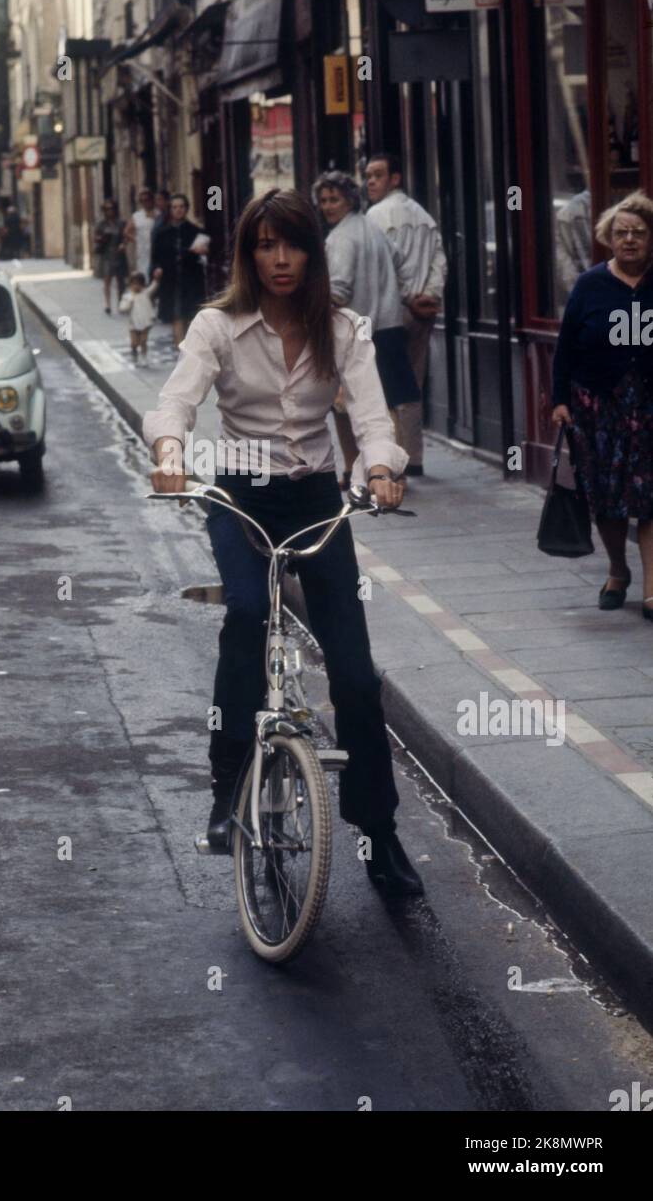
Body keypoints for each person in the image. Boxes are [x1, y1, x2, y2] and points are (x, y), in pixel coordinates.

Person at [143, 187, 423, 898]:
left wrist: (383, 467)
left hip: (314, 498)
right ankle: (225, 786)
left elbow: (372, 417)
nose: (280, 259)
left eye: (293, 244)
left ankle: (379, 835)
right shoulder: (216, 325)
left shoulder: (345, 327)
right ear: (247, 252)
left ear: (313, 251)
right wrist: (171, 452)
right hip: (238, 494)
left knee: (356, 675)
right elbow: (176, 401)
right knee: (244, 613)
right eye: (265, 245)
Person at [551, 191, 653, 621]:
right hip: (598, 408)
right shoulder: (590, 285)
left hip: (649, 406)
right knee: (607, 498)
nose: (629, 240)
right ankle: (617, 570)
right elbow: (566, 347)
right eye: (621, 232)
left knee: (650, 496)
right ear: (608, 238)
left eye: (639, 233)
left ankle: (652, 588)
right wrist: (558, 400)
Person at [313, 170, 419, 491]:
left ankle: (352, 469)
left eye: (335, 199)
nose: (328, 206)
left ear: (350, 199)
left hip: (357, 330)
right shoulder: (373, 227)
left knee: (345, 405)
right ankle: (392, 472)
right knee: (387, 404)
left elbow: (339, 290)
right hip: (387, 324)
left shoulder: (341, 237)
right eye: (323, 200)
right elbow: (401, 262)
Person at [365, 153, 447, 476]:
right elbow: (440, 259)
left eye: (377, 175)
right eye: (368, 176)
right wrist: (430, 294)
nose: (370, 182)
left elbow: (382, 268)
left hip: (392, 311)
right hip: (420, 310)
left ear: (394, 179)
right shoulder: (424, 217)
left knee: (386, 385)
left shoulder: (374, 217)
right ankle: (413, 457)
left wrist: (409, 298)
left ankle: (393, 458)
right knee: (413, 382)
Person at [151, 193, 207, 350]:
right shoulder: (162, 233)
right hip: (171, 280)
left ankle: (190, 350)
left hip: (192, 281)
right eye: (175, 207)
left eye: (181, 207)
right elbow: (155, 258)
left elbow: (206, 255)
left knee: (192, 315)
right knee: (176, 315)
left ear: (187, 209)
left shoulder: (196, 231)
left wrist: (203, 252)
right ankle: (180, 351)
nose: (178, 210)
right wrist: (156, 269)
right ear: (170, 210)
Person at [93, 199, 128, 314]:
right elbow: (95, 238)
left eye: (112, 208)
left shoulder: (121, 223)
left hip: (119, 254)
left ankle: (120, 304)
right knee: (107, 280)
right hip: (107, 255)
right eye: (107, 209)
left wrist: (123, 244)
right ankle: (107, 304)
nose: (110, 211)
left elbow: (125, 236)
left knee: (120, 281)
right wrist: (102, 238)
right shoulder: (101, 224)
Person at [122, 269, 161, 366]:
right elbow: (122, 308)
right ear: (130, 284)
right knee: (134, 343)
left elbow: (154, 286)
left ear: (143, 285)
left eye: (139, 284)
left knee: (143, 341)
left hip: (145, 322)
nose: (136, 286)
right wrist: (129, 303)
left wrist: (156, 278)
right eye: (134, 284)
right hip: (133, 323)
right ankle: (134, 352)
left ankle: (143, 357)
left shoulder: (145, 293)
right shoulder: (128, 296)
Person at [124, 187, 157, 282]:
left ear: (152, 199)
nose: (145, 202)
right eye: (142, 201)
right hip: (142, 250)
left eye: (147, 199)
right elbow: (126, 232)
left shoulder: (158, 214)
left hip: (156, 248)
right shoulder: (137, 216)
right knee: (144, 274)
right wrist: (137, 240)